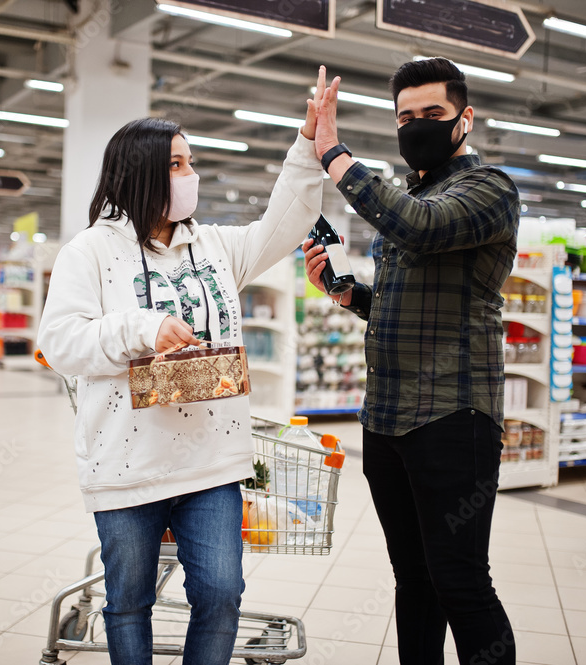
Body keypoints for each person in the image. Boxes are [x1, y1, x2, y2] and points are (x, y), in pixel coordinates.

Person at [38, 70, 330, 664]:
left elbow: (285, 220)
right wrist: (139, 328)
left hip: (212, 463)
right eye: (176, 164)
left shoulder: (216, 248)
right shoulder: (89, 252)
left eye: (190, 162)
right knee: (128, 601)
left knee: (221, 594)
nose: (189, 174)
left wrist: (307, 144)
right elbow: (61, 343)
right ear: (140, 172)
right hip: (126, 466)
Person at [303, 58, 520, 665]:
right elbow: (404, 308)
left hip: (453, 416)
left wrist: (334, 153)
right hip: (387, 418)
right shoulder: (410, 195)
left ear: (464, 118)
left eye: (432, 113)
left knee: (461, 581)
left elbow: (422, 229)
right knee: (414, 578)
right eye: (405, 117)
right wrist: (348, 294)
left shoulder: (490, 190)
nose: (417, 126)